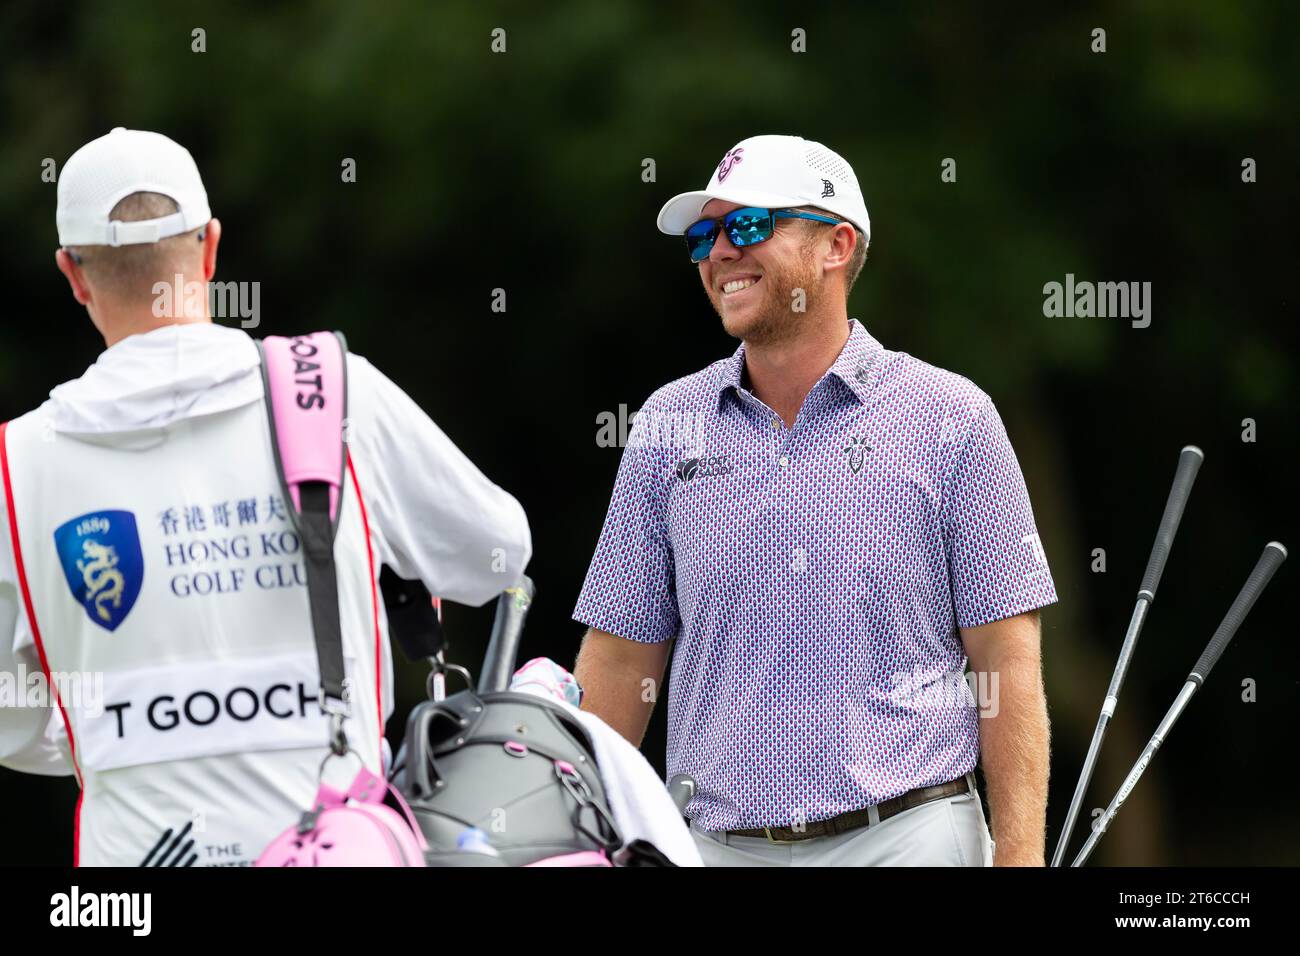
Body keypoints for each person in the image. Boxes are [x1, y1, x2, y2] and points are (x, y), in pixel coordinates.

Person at [0, 128, 531, 866]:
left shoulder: (17, 460)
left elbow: (12, 721)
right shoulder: (330, 388)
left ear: (73, 274)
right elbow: (497, 552)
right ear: (211, 249)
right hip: (340, 847)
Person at [572, 134, 1057, 866]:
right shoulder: (667, 426)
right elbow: (617, 659)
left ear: (835, 245)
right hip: (712, 846)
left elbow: (1006, 660)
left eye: (748, 227)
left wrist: (1019, 859)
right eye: (706, 236)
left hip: (908, 835)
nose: (719, 254)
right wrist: (575, 840)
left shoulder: (953, 417)